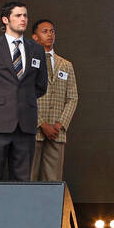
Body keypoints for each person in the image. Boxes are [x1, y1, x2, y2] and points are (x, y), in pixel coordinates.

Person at [0, 1, 48, 181]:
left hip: (25, 125)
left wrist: (22, 100)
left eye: (25, 15)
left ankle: (19, 211)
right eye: (18, 15)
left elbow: (41, 85)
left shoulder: (36, 49)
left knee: (22, 181)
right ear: (5, 19)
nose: (23, 19)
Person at [30, 18, 79, 182]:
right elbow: (24, 96)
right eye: (44, 31)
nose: (49, 34)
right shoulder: (28, 63)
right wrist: (41, 123)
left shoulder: (66, 65)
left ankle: (49, 209)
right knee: (29, 178)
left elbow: (72, 98)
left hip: (57, 133)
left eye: (52, 31)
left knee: (53, 181)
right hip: (34, 130)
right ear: (35, 37)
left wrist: (60, 124)